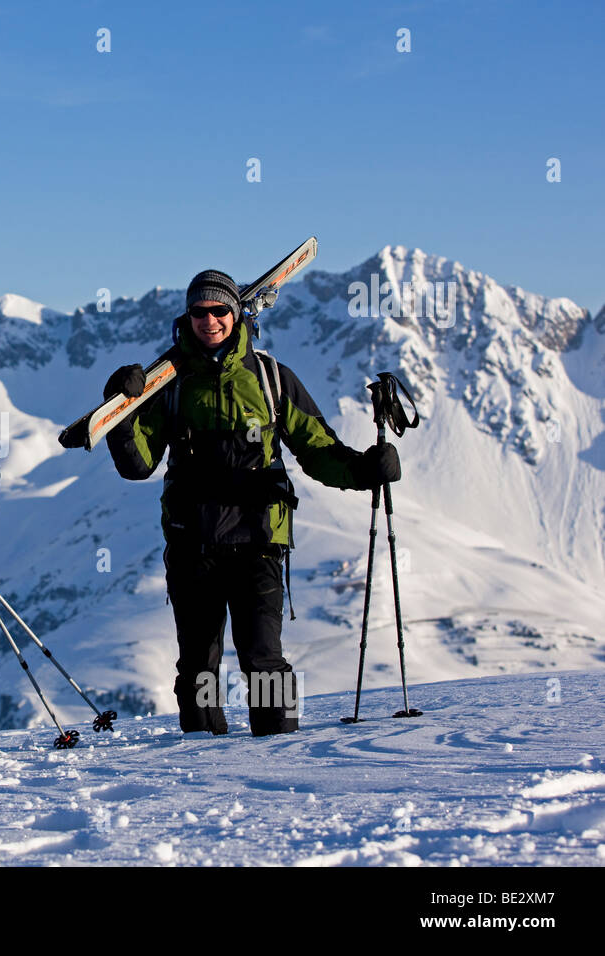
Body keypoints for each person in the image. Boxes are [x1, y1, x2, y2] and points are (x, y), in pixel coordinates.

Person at [103, 269, 400, 736]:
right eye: (199, 311)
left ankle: (279, 753)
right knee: (198, 665)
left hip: (258, 540)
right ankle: (200, 765)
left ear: (237, 312)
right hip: (192, 543)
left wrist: (366, 470)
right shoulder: (171, 381)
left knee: (263, 657)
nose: (210, 320)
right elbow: (138, 464)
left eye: (220, 309)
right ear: (188, 316)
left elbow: (317, 448)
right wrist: (120, 415)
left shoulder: (269, 377)